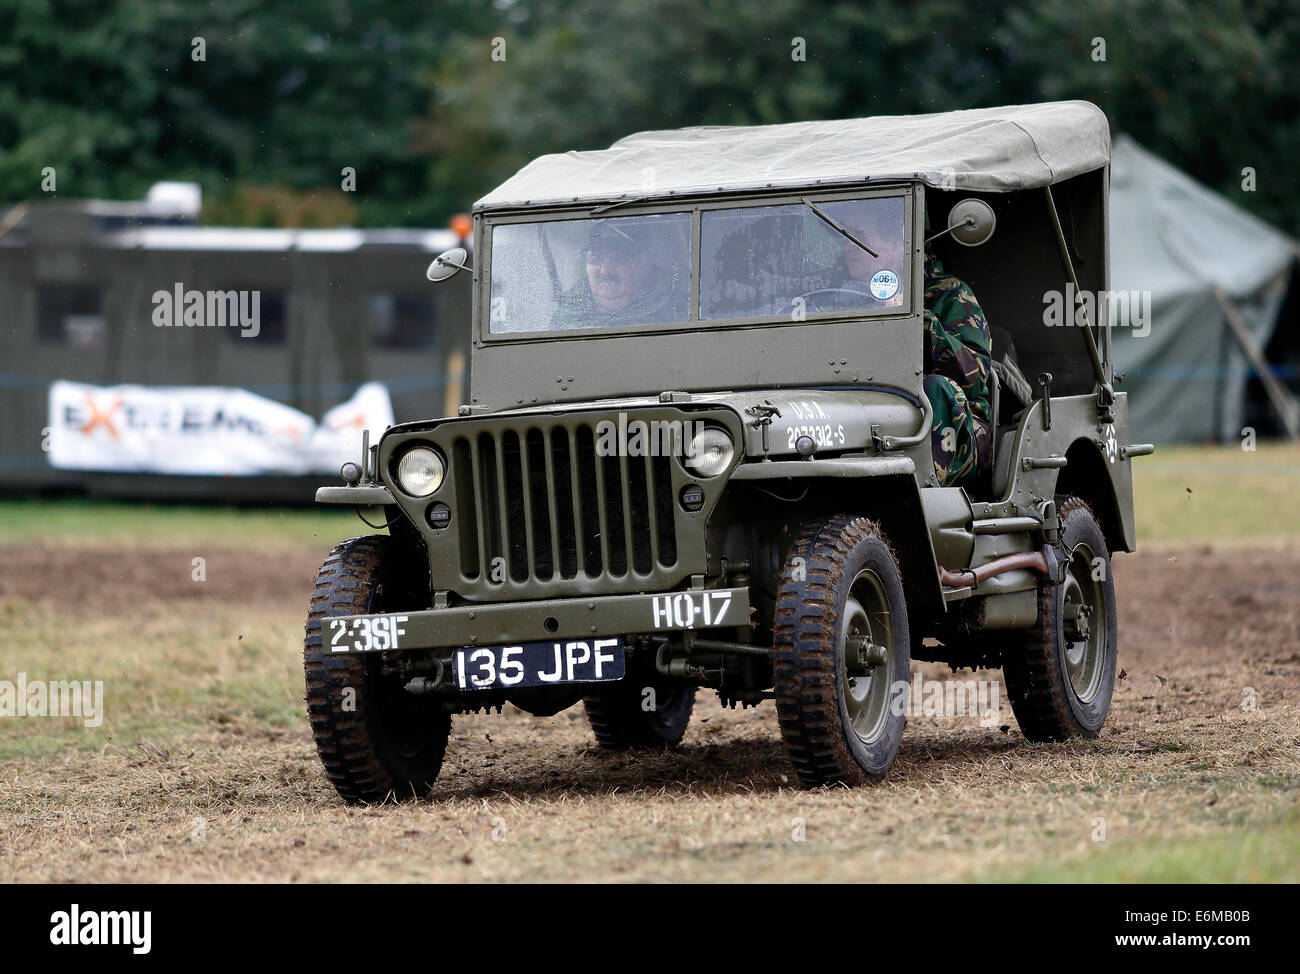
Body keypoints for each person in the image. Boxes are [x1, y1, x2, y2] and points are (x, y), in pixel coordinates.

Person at [922, 250, 993, 487]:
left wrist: (923, 324)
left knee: (934, 386)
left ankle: (927, 489)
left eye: (865, 235)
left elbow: (976, 376)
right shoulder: (835, 292)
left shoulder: (950, 293)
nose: (852, 245)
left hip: (964, 428)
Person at [550, 220, 686, 329]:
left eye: (620, 259)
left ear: (647, 262)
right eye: (595, 259)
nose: (605, 271)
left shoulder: (681, 312)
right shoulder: (565, 317)